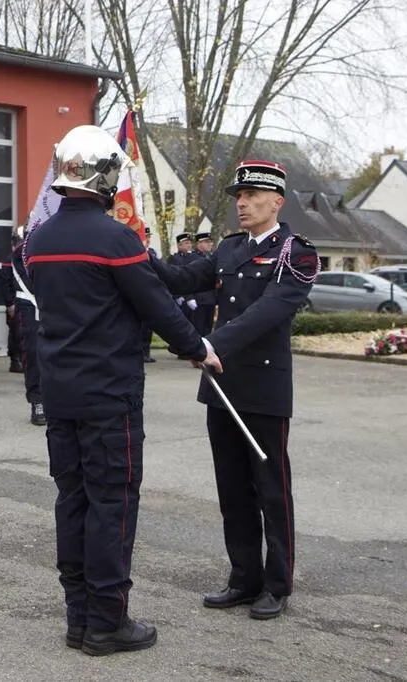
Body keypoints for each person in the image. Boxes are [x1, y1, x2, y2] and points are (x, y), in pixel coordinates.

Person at [24, 124, 213, 656]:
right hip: (109, 396)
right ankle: (107, 623)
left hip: (61, 393)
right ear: (106, 176)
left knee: (74, 500)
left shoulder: (39, 240)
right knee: (113, 504)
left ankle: (79, 618)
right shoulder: (114, 238)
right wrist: (198, 347)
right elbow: (156, 305)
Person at [150, 160, 319, 621]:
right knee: (232, 489)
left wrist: (207, 343)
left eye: (250, 196)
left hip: (262, 386)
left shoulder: (296, 252)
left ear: (276, 202)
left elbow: (269, 311)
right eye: (238, 197)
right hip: (222, 385)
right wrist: (137, 250)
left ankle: (277, 583)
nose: (241, 204)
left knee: (271, 488)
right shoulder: (230, 248)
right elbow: (182, 279)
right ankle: (243, 578)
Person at [10, 224, 45, 425]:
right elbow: (22, 280)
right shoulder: (20, 253)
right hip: (29, 304)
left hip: (51, 305)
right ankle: (37, 401)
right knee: (32, 352)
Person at [166, 232, 199, 357]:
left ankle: (187, 350)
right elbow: (173, 278)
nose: (189, 245)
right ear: (179, 245)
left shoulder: (193, 258)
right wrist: (178, 296)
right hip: (180, 298)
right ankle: (178, 349)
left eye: (190, 243)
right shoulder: (174, 259)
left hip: (192, 297)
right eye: (186, 243)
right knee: (180, 325)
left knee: (192, 324)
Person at [3, 230, 24, 374]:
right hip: (15, 300)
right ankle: (14, 360)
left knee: (25, 333)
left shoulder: (27, 258)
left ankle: (23, 359)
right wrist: (10, 303)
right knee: (15, 332)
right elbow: (5, 283)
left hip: (26, 300)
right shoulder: (9, 259)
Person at [192, 232, 217, 335]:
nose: (210, 244)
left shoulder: (212, 257)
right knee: (198, 328)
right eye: (206, 242)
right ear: (199, 244)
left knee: (208, 328)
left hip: (210, 299)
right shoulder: (192, 258)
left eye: (210, 242)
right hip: (199, 299)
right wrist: (190, 298)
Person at [140, 225, 158, 363]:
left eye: (149, 236)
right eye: (146, 236)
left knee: (148, 329)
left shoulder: (151, 252)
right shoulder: (136, 250)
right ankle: (140, 353)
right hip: (140, 292)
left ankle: (146, 351)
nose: (148, 239)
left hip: (151, 294)